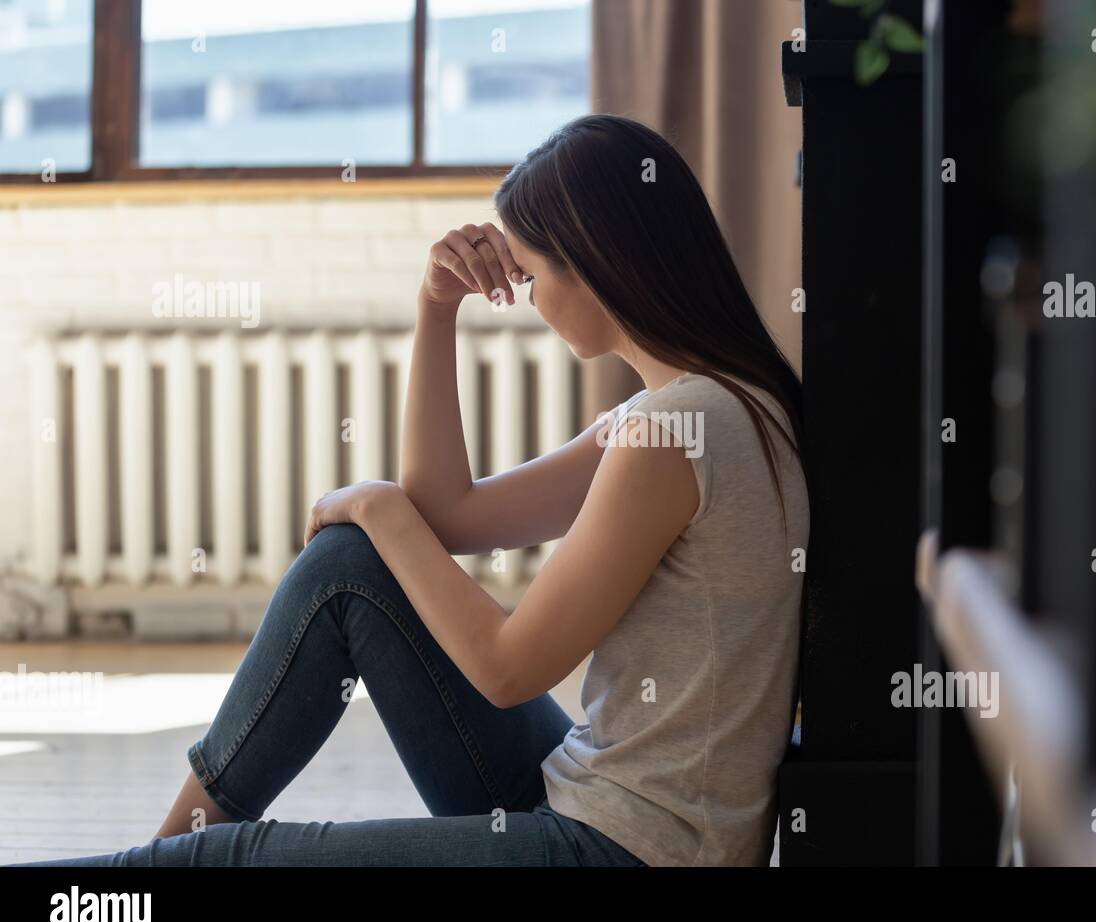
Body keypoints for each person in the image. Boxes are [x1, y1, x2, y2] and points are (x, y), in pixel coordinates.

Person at [15, 114, 808, 867]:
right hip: (589, 802)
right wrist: (435, 307)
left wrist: (381, 506)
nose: (531, 299)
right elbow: (450, 513)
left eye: (533, 275)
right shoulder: (707, 408)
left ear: (597, 261)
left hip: (623, 850)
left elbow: (507, 667)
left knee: (226, 859)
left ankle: (138, 874)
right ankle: (150, 863)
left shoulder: (673, 433)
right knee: (351, 563)